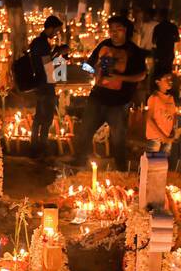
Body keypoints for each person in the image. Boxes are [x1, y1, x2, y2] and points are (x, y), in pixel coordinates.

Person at [75, 14, 146, 171]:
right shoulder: (103, 45)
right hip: (97, 98)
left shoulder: (133, 51)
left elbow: (142, 74)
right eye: (111, 29)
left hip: (118, 102)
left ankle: (120, 169)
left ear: (126, 31)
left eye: (118, 29)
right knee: (85, 130)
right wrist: (95, 71)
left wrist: (120, 77)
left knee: (118, 138)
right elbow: (87, 66)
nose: (114, 33)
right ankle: (79, 163)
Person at [26, 15, 66, 158]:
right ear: (50, 28)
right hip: (44, 84)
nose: (57, 33)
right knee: (46, 117)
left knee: (39, 117)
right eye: (56, 30)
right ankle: (41, 146)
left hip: (40, 83)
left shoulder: (39, 42)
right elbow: (46, 64)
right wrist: (59, 53)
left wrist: (55, 52)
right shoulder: (41, 43)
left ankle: (35, 145)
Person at [145, 73, 178, 159]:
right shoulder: (154, 98)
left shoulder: (171, 98)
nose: (170, 81)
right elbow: (149, 119)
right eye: (166, 79)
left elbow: (174, 115)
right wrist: (162, 136)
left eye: (170, 79)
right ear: (158, 82)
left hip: (168, 137)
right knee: (152, 166)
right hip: (155, 138)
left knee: (162, 166)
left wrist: (173, 131)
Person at [151, 9, 180, 75]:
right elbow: (178, 39)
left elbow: (153, 41)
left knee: (158, 72)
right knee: (167, 72)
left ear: (161, 16)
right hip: (169, 53)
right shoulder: (173, 27)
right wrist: (170, 40)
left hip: (159, 53)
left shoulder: (157, 27)